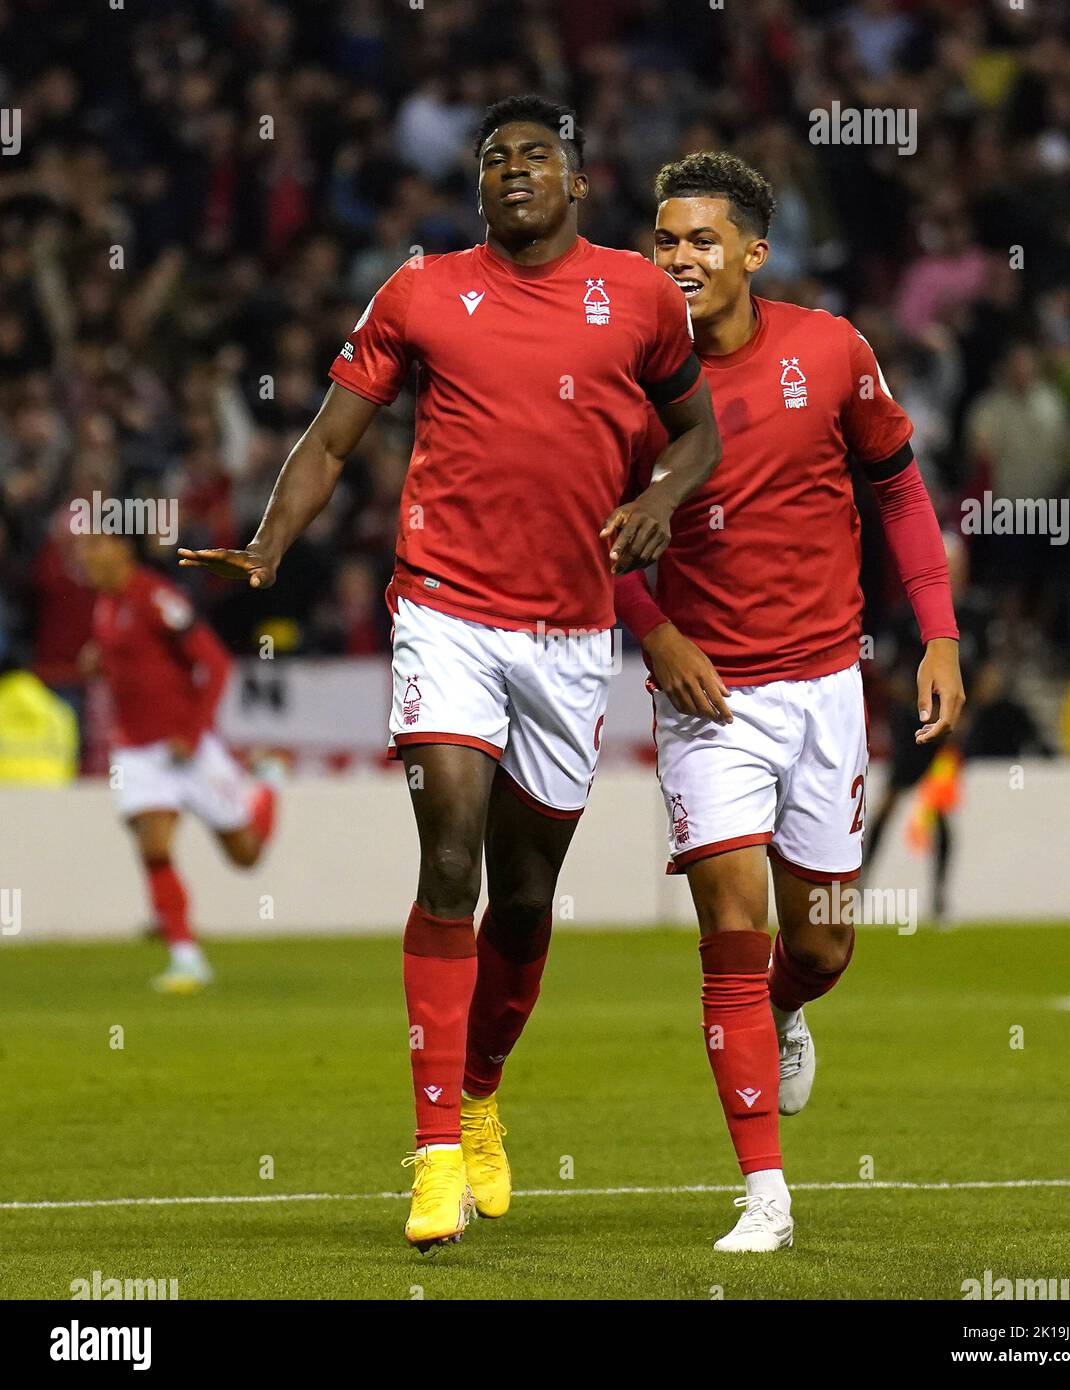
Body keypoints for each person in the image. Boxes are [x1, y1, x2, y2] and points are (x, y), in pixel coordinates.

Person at [177, 95, 722, 1252]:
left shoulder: (634, 295)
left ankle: (479, 1091)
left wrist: (661, 499)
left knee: (523, 900)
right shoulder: (421, 291)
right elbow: (332, 437)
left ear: (574, 180)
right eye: (493, 159)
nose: (513, 170)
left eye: (535, 155)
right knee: (450, 858)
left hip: (572, 636)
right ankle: (431, 1155)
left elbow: (697, 432)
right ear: (475, 186)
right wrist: (270, 543)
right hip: (443, 612)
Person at [614, 152, 965, 1252]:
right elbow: (602, 530)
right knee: (730, 920)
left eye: (701, 239)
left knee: (817, 949)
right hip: (705, 699)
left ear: (753, 253)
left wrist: (939, 635)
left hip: (823, 690)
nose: (678, 257)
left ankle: (788, 1007)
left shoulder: (830, 349)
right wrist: (656, 631)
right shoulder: (627, 382)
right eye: (665, 238)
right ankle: (763, 1191)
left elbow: (899, 487)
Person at [80, 529, 277, 994]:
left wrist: (191, 733)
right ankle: (187, 957)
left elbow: (215, 662)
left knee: (245, 855)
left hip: (185, 747)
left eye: (94, 546)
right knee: (153, 844)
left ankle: (267, 786)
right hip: (137, 751)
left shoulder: (156, 597)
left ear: (121, 550)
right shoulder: (105, 605)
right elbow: (138, 665)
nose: (86, 557)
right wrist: (99, 661)